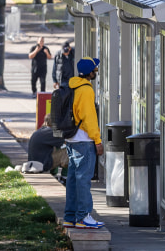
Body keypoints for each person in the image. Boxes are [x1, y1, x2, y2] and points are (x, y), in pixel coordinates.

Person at [63, 57, 104, 229]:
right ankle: (83, 217)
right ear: (90, 72)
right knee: (83, 179)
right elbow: (89, 118)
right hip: (84, 140)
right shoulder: (86, 90)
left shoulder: (74, 85)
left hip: (72, 138)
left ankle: (70, 217)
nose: (97, 71)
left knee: (73, 179)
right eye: (95, 69)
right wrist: (98, 140)